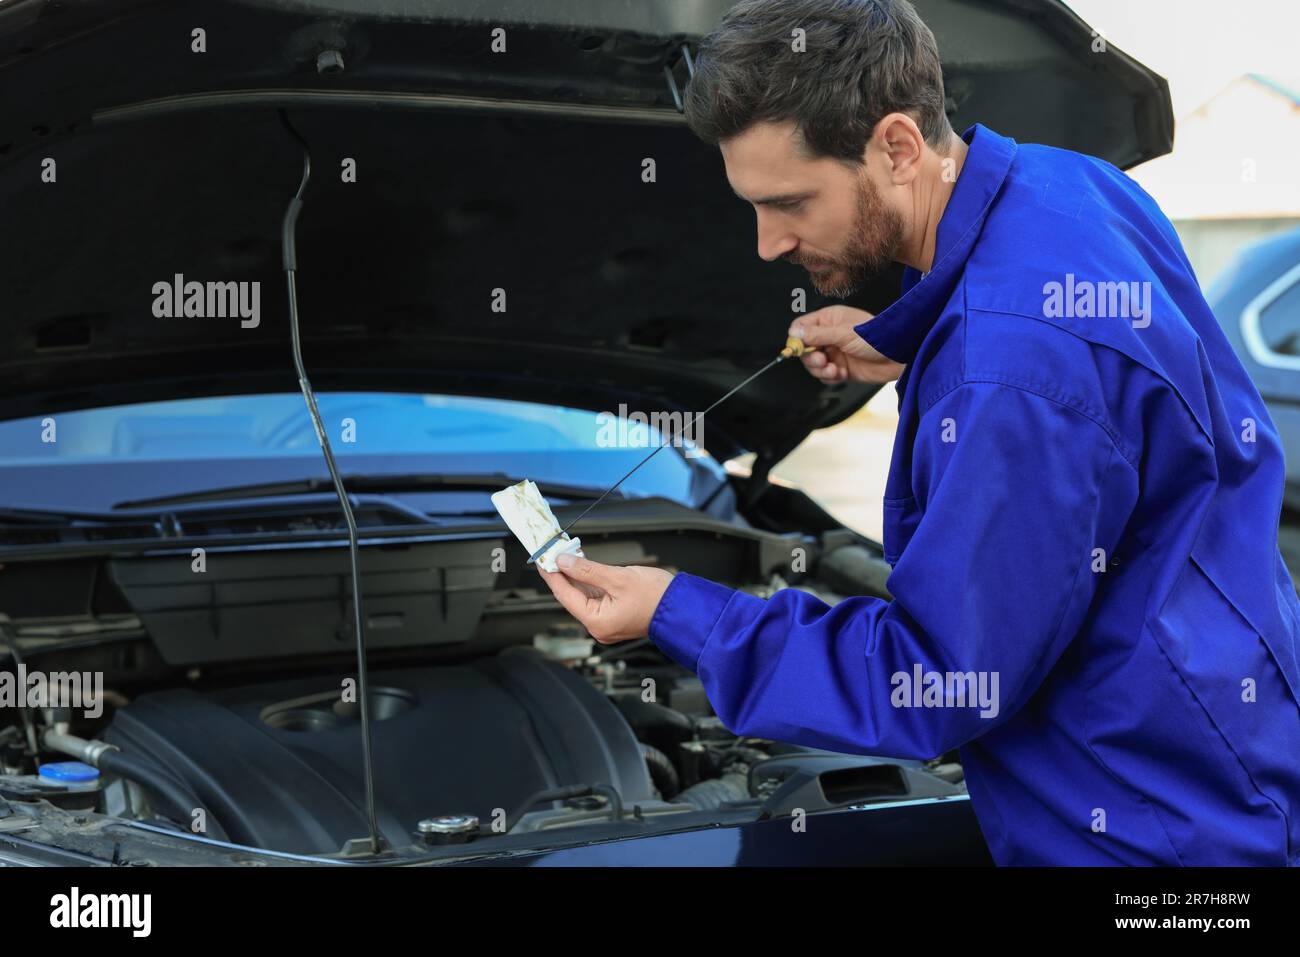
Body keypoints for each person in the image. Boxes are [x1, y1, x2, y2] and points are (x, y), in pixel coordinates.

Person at [539, 0, 1300, 865]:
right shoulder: (1070, 186)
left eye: (789, 202)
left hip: (1152, 837)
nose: (766, 243)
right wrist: (911, 348)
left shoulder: (1012, 368)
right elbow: (1112, 393)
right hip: (1231, 750)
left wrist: (681, 612)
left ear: (897, 146)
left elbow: (935, 679)